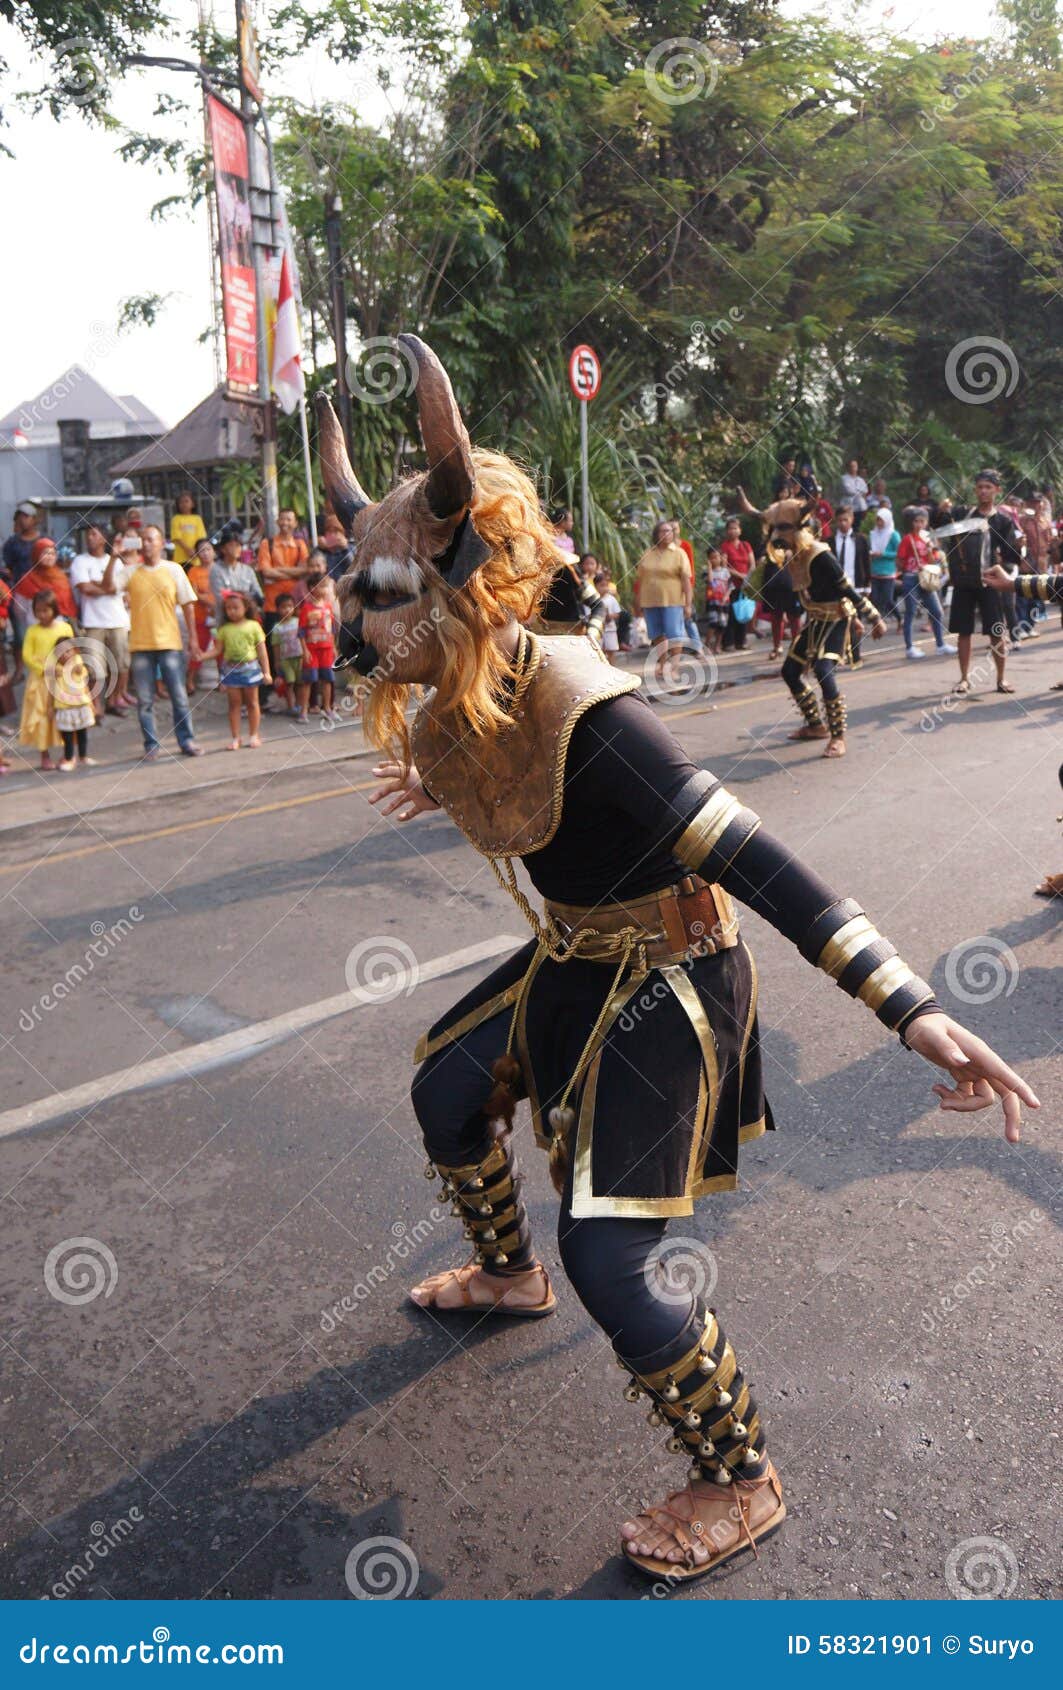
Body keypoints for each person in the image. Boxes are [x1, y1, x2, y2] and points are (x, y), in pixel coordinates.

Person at [313, 339, 1037, 1585]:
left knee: (611, 1254)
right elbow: (517, 780)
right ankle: (508, 1275)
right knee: (445, 1091)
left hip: (671, 975)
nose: (352, 624)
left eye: (382, 594)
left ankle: (739, 1475)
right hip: (571, 951)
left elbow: (758, 860)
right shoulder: (478, 691)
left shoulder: (602, 720)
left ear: (465, 586)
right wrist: (447, 785)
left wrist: (910, 1006)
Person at [736, 490, 885, 759]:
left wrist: (873, 617)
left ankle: (838, 737)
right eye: (774, 529)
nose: (777, 536)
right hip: (815, 619)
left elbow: (846, 589)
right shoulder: (792, 555)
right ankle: (816, 725)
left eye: (783, 529)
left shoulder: (819, 555)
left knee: (823, 670)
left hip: (836, 619)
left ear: (799, 528)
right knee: (790, 671)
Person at [125, 524, 204, 760]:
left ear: (161, 543)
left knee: (179, 696)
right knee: (145, 700)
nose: (146, 543)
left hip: (170, 643)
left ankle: (186, 740)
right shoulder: (130, 571)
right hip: (140, 645)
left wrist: (193, 639)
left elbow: (188, 604)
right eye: (143, 539)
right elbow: (108, 587)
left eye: (151, 539)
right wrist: (117, 555)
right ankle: (151, 744)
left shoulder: (174, 569)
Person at [946, 471, 1022, 696]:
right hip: (964, 582)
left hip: (991, 583)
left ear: (997, 490)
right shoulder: (962, 514)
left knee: (997, 631)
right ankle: (963, 679)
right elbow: (940, 525)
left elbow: (1011, 556)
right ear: (975, 490)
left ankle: (1001, 678)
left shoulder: (1003, 521)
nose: (983, 491)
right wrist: (942, 510)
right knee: (963, 632)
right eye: (980, 487)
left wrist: (1009, 556)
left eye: (988, 487)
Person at [69, 522, 132, 715]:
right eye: (88, 535)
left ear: (104, 539)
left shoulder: (116, 562)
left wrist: (99, 585)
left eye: (94, 535)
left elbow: (119, 588)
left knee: (121, 664)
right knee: (94, 666)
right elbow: (85, 588)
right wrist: (107, 588)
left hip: (118, 620)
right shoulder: (80, 561)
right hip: (93, 622)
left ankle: (113, 700)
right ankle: (97, 705)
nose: (89, 538)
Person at [205, 589, 270, 750]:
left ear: (245, 607)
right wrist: (202, 656)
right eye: (228, 608)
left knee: (252, 703)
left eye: (236, 607)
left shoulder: (254, 626)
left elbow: (262, 651)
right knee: (234, 705)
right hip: (231, 670)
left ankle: (254, 735)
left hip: (251, 668)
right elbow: (217, 650)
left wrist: (266, 672)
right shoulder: (224, 629)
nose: (232, 611)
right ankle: (236, 737)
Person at [633, 519, 690, 685]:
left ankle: (675, 668)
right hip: (650, 600)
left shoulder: (679, 553)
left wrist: (688, 604)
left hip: (673, 600)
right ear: (656, 534)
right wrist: (637, 601)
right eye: (663, 531)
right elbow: (640, 579)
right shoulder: (647, 553)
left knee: (674, 634)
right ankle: (663, 664)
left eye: (669, 531)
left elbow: (686, 580)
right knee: (657, 634)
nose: (667, 534)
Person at [18, 589, 71, 770]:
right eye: (38, 611)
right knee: (42, 717)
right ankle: (45, 756)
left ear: (54, 609)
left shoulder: (65, 628)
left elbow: (71, 650)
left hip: (62, 679)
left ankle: (68, 754)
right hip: (40, 681)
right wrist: (45, 670)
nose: (42, 615)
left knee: (65, 716)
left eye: (45, 610)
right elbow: (27, 656)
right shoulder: (32, 631)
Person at [896, 507, 955, 659]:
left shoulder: (928, 538)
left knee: (936, 611)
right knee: (910, 612)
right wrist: (909, 568)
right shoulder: (907, 539)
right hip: (911, 578)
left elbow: (933, 560)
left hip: (926, 577)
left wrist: (929, 551)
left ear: (926, 522)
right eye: (916, 521)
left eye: (922, 521)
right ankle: (909, 648)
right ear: (911, 522)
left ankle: (940, 645)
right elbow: (899, 561)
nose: (919, 524)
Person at [296, 562, 338, 723]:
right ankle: (304, 711)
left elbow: (331, 629)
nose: (326, 589)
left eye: (326, 586)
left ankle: (327, 708)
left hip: (327, 649)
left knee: (328, 679)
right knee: (308, 681)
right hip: (311, 650)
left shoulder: (328, 607)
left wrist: (334, 647)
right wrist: (305, 650)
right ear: (312, 588)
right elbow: (301, 632)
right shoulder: (306, 608)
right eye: (322, 586)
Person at [832, 506, 870, 664]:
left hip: (855, 586)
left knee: (855, 621)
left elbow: (866, 563)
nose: (843, 523)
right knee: (837, 622)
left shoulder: (860, 539)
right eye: (840, 520)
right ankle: (836, 654)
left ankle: (855, 654)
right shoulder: (829, 541)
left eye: (845, 520)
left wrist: (867, 586)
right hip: (835, 588)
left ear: (852, 520)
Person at [53, 636, 98, 771]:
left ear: (75, 651)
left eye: (68, 651)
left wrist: (92, 703)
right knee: (67, 735)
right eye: (60, 652)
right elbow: (50, 690)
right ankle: (69, 758)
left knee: (82, 733)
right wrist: (50, 707)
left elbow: (82, 679)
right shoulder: (54, 669)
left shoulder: (78, 664)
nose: (64, 655)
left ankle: (83, 756)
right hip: (64, 707)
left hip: (81, 705)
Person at [719, 516, 756, 652]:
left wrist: (749, 577)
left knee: (744, 610)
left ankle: (742, 641)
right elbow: (724, 566)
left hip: (746, 584)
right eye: (730, 528)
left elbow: (752, 564)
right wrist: (741, 575)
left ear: (740, 530)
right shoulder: (725, 546)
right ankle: (728, 642)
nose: (733, 531)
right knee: (732, 614)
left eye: (735, 528)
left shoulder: (746, 545)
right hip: (731, 585)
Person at [185, 538, 216, 693]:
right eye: (201, 550)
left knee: (221, 648)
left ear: (214, 551)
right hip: (200, 616)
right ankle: (190, 680)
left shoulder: (219, 569)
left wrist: (204, 597)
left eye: (208, 549)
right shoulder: (193, 572)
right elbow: (193, 594)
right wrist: (207, 600)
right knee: (198, 648)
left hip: (220, 616)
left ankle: (224, 680)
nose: (205, 553)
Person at [210, 527, 263, 615]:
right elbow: (220, 597)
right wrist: (244, 597)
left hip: (248, 615)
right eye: (231, 545)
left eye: (238, 545)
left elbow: (258, 594)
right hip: (227, 616)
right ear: (223, 549)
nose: (236, 548)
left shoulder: (247, 570)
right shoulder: (216, 569)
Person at [269, 591, 304, 711]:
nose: (287, 609)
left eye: (290, 606)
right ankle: (291, 706)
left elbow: (304, 639)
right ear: (278, 609)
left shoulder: (298, 622)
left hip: (299, 657)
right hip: (285, 660)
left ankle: (300, 704)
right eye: (283, 607)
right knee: (289, 683)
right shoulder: (277, 627)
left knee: (300, 682)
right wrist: (277, 661)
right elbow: (276, 645)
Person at [868, 506, 901, 627]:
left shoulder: (893, 535)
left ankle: (899, 619)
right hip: (875, 570)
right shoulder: (873, 534)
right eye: (877, 520)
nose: (879, 523)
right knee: (875, 599)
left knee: (888, 599)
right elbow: (870, 548)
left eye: (881, 520)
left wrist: (883, 554)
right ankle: (878, 623)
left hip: (888, 572)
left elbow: (899, 553)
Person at [704, 546, 731, 654]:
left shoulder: (726, 571)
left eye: (717, 557)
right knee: (713, 623)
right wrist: (709, 567)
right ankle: (707, 644)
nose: (715, 559)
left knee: (722, 625)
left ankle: (717, 645)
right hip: (712, 602)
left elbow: (730, 586)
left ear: (721, 558)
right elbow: (710, 581)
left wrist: (726, 596)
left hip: (724, 602)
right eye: (712, 558)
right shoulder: (707, 572)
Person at [592, 569, 622, 665]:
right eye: (601, 585)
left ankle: (612, 667)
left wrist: (610, 616)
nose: (604, 588)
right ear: (595, 586)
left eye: (606, 585)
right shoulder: (593, 599)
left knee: (611, 650)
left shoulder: (611, 599)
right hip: (598, 630)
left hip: (610, 629)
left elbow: (617, 613)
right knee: (599, 650)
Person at [169, 492, 207, 566]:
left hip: (196, 559)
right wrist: (188, 550)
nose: (183, 504)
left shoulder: (197, 519)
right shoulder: (176, 519)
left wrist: (196, 551)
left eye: (186, 501)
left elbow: (201, 538)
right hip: (180, 558)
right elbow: (176, 538)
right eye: (181, 502)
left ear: (193, 504)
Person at [317, 513, 353, 581]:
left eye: (336, 531)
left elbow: (355, 568)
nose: (332, 534)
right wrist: (320, 548)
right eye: (329, 531)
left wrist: (345, 549)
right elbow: (313, 569)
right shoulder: (321, 550)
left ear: (342, 533)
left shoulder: (351, 547)